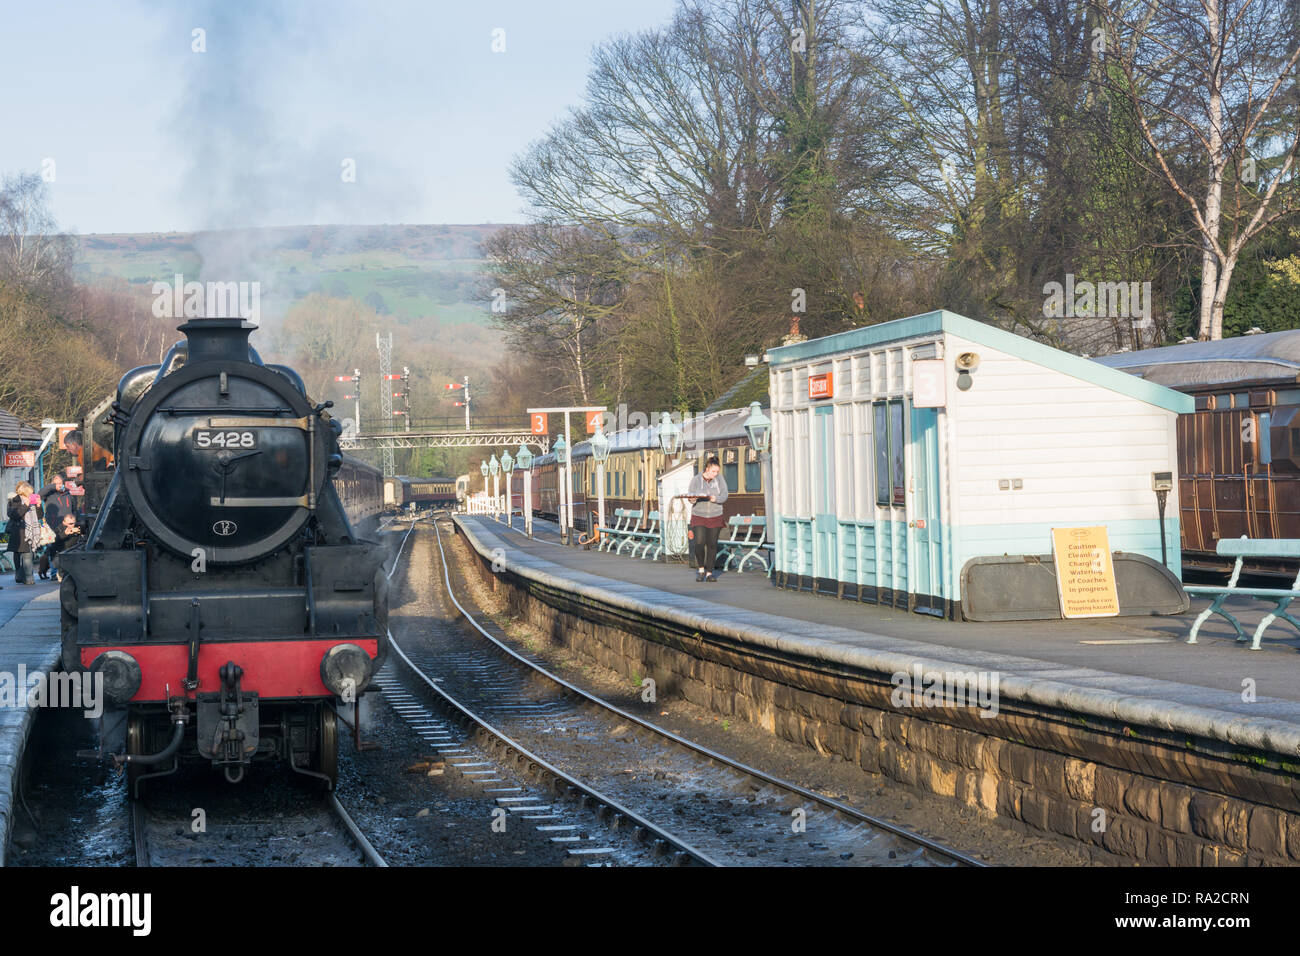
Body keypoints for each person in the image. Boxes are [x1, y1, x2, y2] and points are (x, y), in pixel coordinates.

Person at [686, 456, 729, 582]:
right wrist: (692, 499)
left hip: (715, 515)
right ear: (707, 469)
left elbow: (725, 494)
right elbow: (691, 495)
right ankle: (700, 569)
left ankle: (709, 573)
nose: (715, 474)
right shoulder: (696, 480)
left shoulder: (719, 479)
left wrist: (717, 499)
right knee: (699, 543)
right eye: (713, 471)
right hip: (699, 515)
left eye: (717, 472)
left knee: (712, 544)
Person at [38, 473, 76, 580]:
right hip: (53, 526)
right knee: (53, 549)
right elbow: (40, 494)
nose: (59, 485)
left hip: (67, 524)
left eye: (60, 483)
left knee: (66, 547)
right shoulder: (49, 494)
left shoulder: (68, 494)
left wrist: (74, 520)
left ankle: (63, 572)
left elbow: (74, 508)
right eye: (56, 483)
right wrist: (53, 487)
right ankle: (54, 573)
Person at [6, 481, 44, 586]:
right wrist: (25, 506)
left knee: (27, 554)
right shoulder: (15, 500)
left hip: (30, 532)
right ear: (24, 492)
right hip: (19, 532)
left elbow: (40, 516)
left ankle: (28, 577)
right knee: (20, 554)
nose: (31, 495)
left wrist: (39, 506)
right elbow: (13, 515)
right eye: (30, 493)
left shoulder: (32, 502)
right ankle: (21, 574)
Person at [48, 513, 82, 582]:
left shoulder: (77, 527)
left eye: (73, 523)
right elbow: (54, 540)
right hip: (59, 553)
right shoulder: (58, 528)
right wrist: (65, 534)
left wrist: (80, 532)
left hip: (73, 552)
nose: (72, 525)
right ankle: (58, 573)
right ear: (64, 522)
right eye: (70, 523)